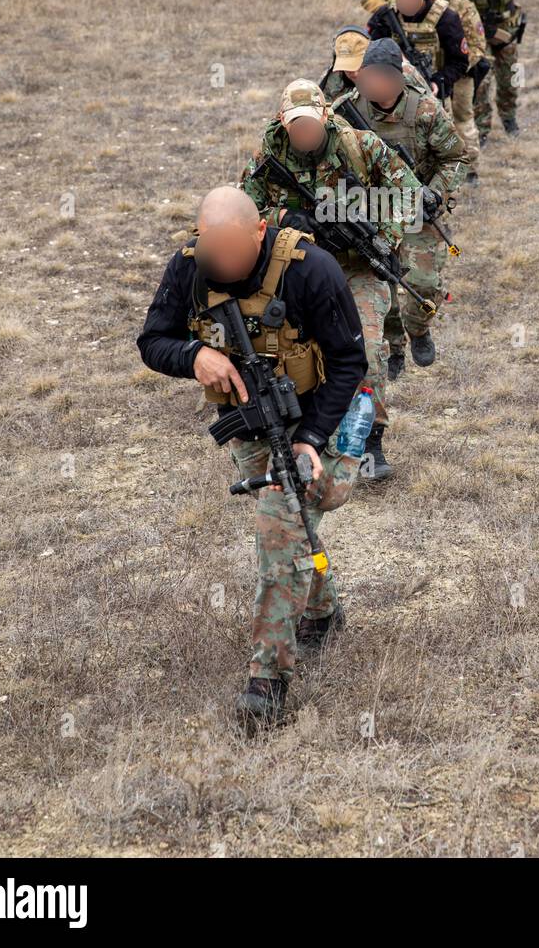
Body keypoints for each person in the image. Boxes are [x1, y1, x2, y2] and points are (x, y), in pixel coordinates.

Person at [137, 186, 368, 729]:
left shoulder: (312, 269)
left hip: (322, 418)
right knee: (287, 530)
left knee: (277, 528)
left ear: (260, 232)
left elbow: (350, 359)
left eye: (234, 253)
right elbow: (152, 340)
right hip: (250, 425)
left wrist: (311, 437)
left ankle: (267, 682)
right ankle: (322, 611)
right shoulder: (188, 268)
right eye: (213, 253)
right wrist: (194, 355)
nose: (224, 265)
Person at [240, 80, 422, 480]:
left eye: (309, 123)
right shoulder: (269, 155)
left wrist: (384, 235)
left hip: (358, 264)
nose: (303, 132)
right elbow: (241, 211)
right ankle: (300, 434)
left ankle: (369, 435)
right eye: (295, 125)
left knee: (366, 351)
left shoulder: (361, 146)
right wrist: (283, 220)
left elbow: (409, 191)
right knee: (289, 350)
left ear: (325, 116)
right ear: (282, 123)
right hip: (296, 268)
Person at [339, 38, 466, 378]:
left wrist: (435, 194)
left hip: (419, 211)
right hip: (376, 214)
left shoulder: (425, 110)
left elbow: (455, 158)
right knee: (385, 285)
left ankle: (419, 330)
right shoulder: (347, 112)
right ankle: (394, 347)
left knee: (424, 284)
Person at [445, 0, 539, 139]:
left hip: (504, 29)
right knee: (481, 81)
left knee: (509, 78)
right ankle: (481, 130)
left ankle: (509, 118)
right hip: (475, 30)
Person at [420, 0, 485, 184]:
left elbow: (477, 45)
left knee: (463, 118)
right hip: (427, 75)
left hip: (460, 75)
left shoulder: (462, 5)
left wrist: (457, 66)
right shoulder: (417, 3)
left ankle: (470, 169)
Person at [367, 0, 469, 101]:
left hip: (433, 97)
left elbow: (459, 62)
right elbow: (370, 51)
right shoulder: (386, 15)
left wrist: (438, 81)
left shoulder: (446, 18)